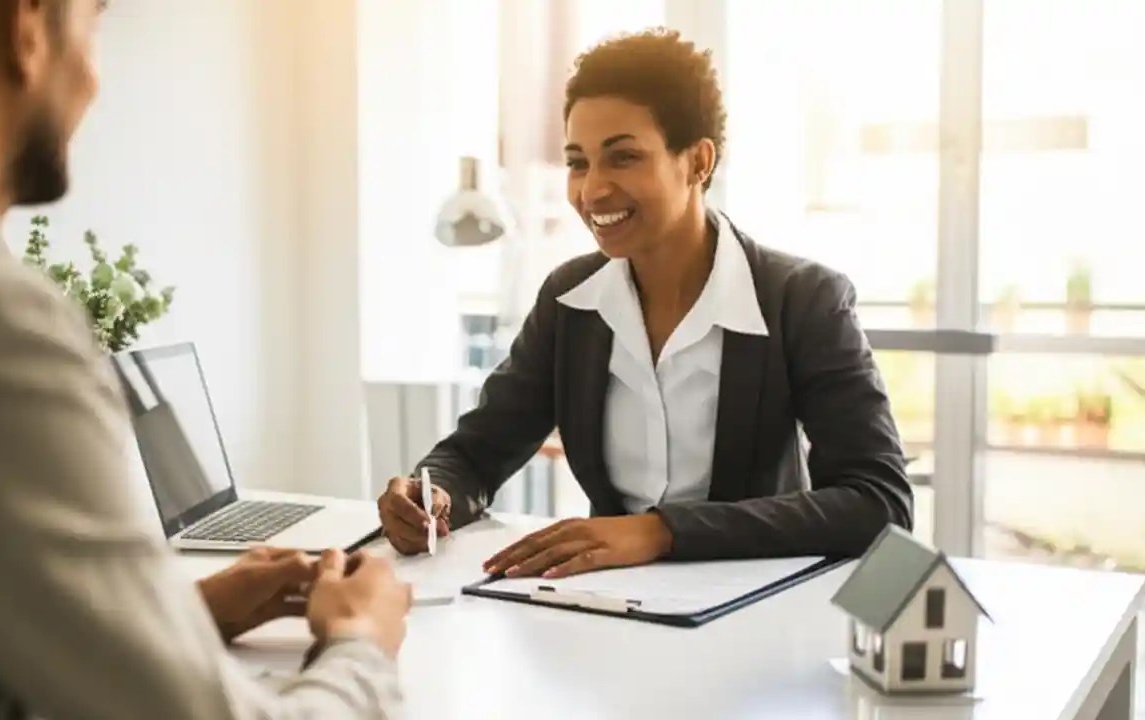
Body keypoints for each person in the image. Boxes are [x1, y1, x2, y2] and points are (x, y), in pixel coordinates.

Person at [0, 1, 408, 717]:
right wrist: (361, 642)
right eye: (95, 23)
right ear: (28, 25)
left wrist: (170, 621)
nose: (95, 82)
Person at [378, 28, 912, 579]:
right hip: (604, 605)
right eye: (578, 162)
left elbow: (877, 502)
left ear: (698, 161)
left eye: (624, 157)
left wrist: (660, 531)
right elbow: (476, 453)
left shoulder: (802, 299)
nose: (592, 190)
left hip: (750, 606)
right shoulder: (569, 301)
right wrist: (431, 493)